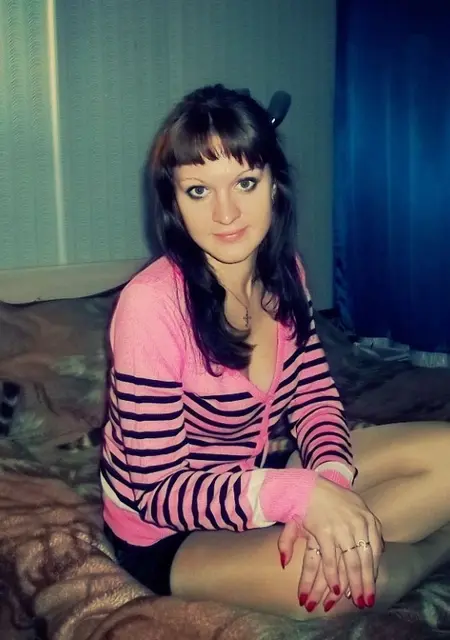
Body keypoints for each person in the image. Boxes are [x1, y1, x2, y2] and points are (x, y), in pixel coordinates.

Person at [101, 84, 450, 620]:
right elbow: (159, 491)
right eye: (198, 190)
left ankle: (343, 535)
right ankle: (434, 547)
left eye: (245, 182)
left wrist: (329, 481)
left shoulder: (285, 273)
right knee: (350, 585)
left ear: (273, 185)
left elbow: (313, 395)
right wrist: (299, 499)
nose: (225, 213)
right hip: (171, 528)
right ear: (174, 201)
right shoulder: (150, 307)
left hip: (260, 473)